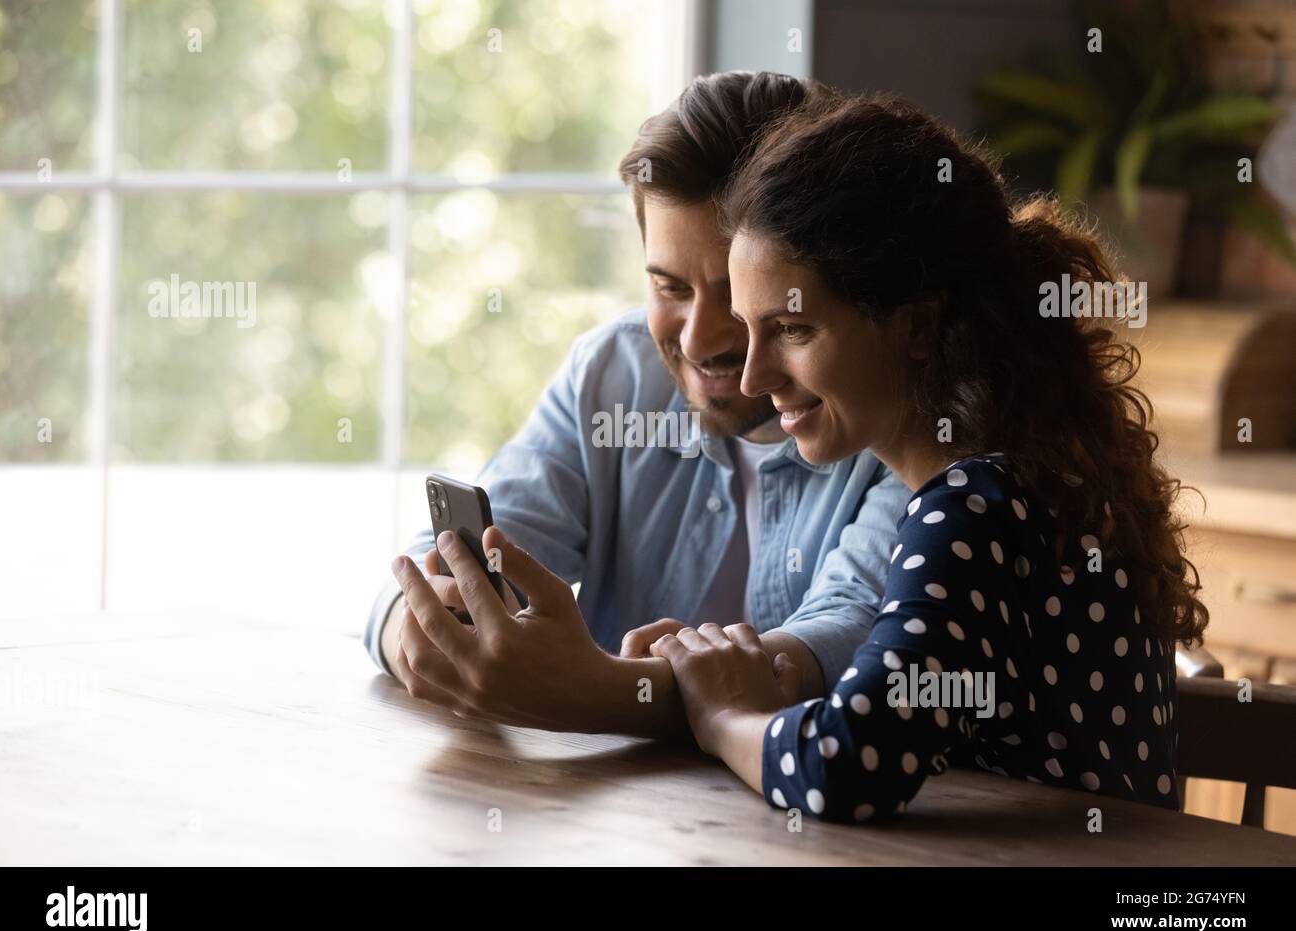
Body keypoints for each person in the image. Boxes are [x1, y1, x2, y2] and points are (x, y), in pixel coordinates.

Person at [647, 90, 1209, 821]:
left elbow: (846, 767)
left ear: (916, 324)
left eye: (792, 328)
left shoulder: (975, 511)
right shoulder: (1037, 482)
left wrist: (721, 712)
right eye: (750, 332)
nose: (753, 377)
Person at [373, 73, 909, 735]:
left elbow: (858, 639)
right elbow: (459, 552)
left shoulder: (889, 409)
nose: (699, 338)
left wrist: (590, 691)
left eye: (737, 296)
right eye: (670, 287)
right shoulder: (614, 373)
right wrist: (422, 631)